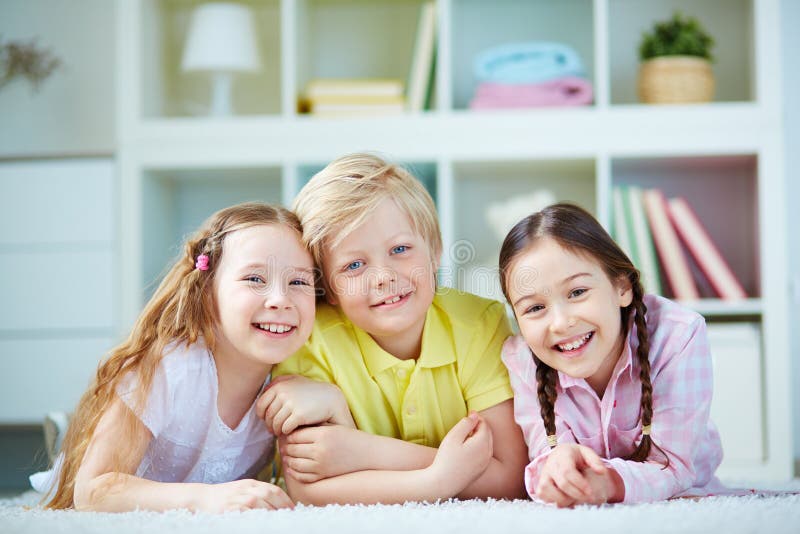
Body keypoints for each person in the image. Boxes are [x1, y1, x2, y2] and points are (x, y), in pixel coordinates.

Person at [258, 153, 529, 505]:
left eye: (400, 249)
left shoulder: (479, 324)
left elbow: (509, 478)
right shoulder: (312, 339)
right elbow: (307, 490)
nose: (384, 277)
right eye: (354, 265)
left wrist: (363, 451)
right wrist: (437, 479)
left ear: (435, 252)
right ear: (327, 285)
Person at [33, 202, 316, 512]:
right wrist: (205, 498)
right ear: (207, 292)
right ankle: (66, 433)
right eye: (255, 279)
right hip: (133, 481)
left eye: (299, 282)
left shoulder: (300, 370)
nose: (280, 299)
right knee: (74, 462)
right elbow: (93, 491)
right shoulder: (169, 368)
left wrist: (329, 400)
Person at [498, 203, 724, 506]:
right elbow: (546, 454)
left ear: (621, 287)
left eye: (577, 292)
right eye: (535, 308)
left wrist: (609, 482)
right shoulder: (521, 358)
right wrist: (558, 467)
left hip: (685, 491)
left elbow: (673, 466)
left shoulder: (678, 335)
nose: (561, 323)